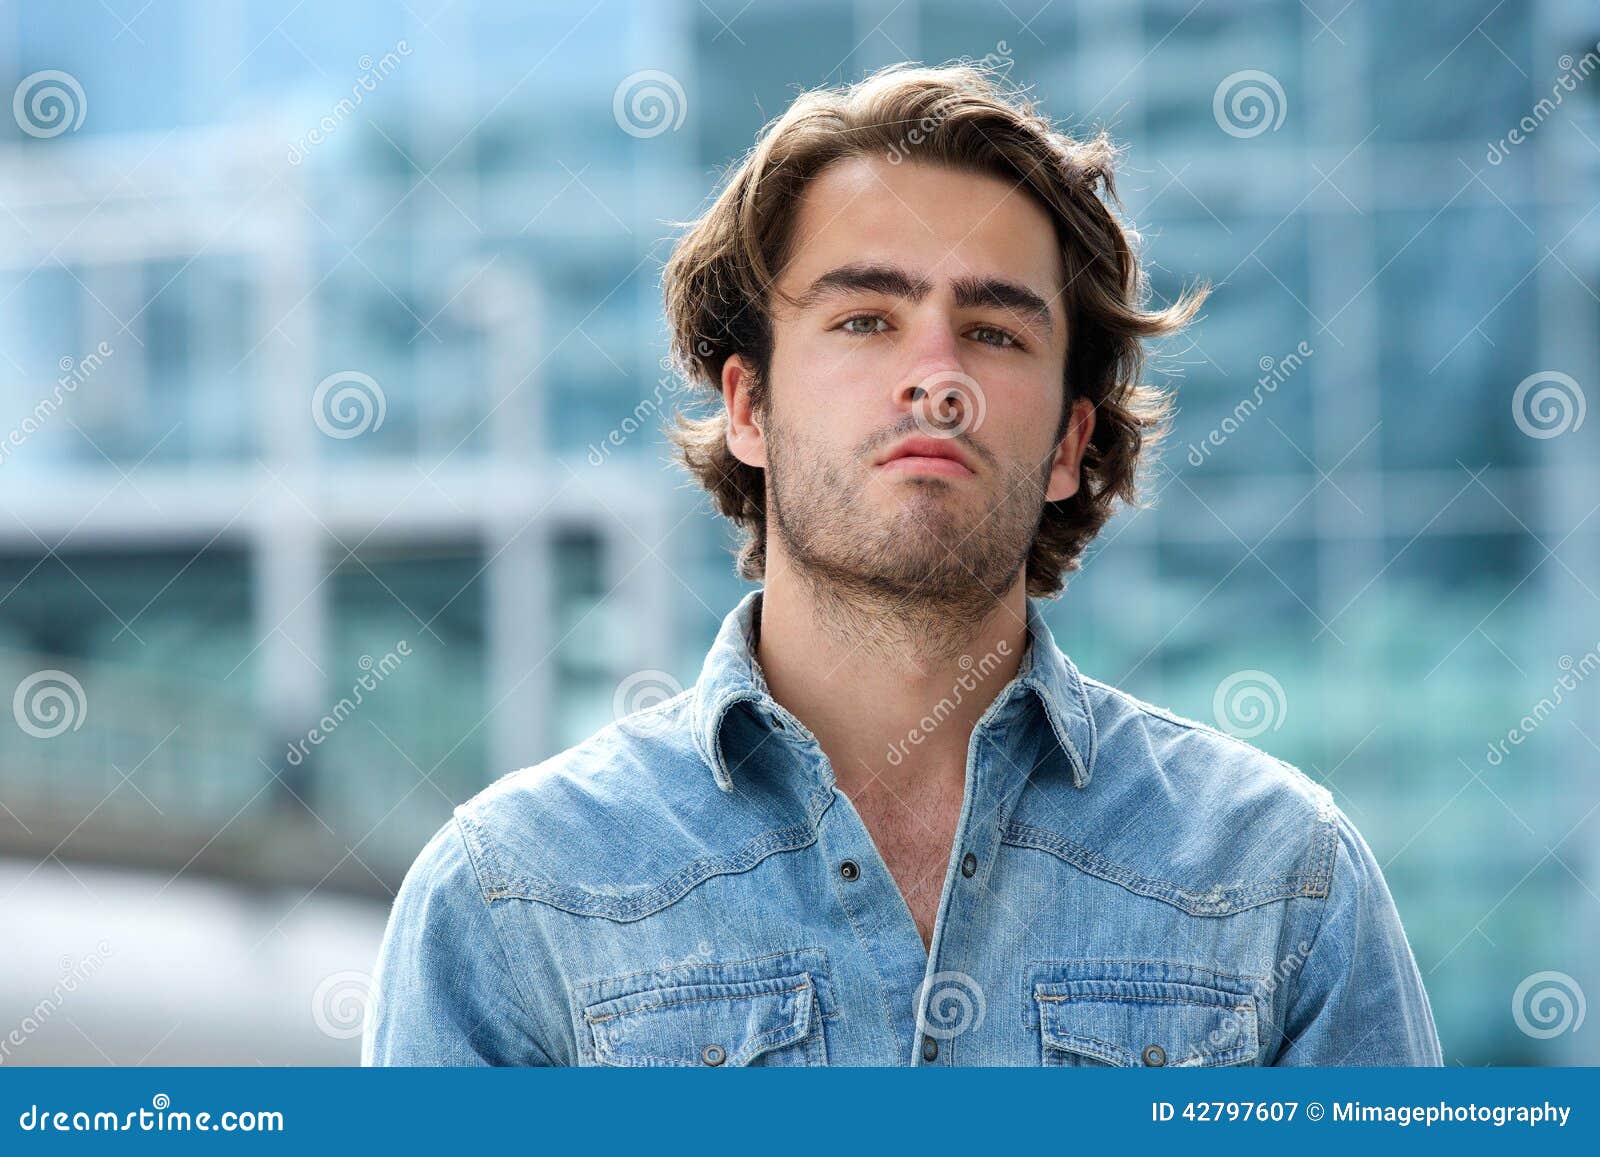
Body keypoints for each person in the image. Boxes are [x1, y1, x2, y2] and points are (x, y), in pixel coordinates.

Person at [364, 62, 1442, 1067]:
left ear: (1070, 442)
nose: (934, 380)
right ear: (748, 405)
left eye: (994, 332)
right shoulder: (510, 896)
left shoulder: (1280, 880)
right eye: (866, 319)